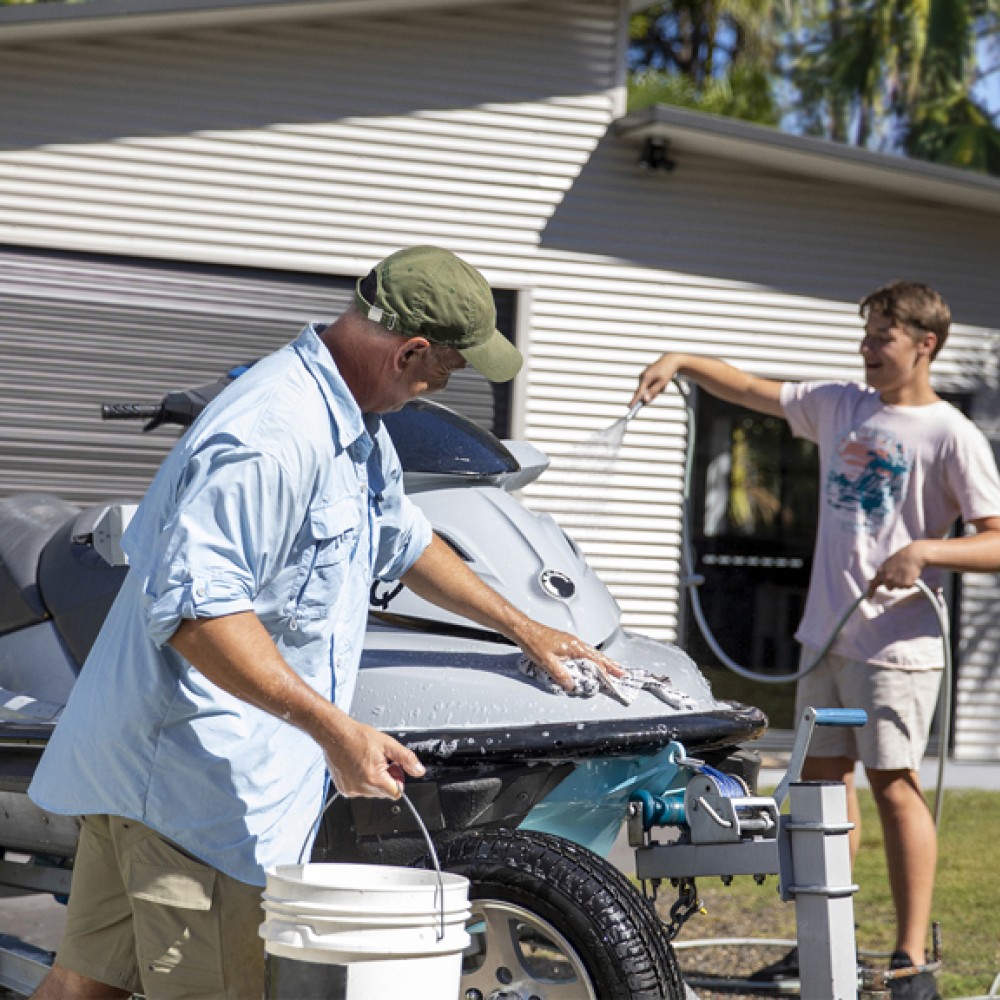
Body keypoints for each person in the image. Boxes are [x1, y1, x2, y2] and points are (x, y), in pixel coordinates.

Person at [28, 245, 622, 1000]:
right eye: (449, 368)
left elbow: (403, 539)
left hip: (157, 774)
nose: (448, 384)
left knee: (85, 988)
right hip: (196, 794)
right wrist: (335, 731)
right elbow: (198, 617)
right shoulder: (271, 435)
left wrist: (524, 625)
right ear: (410, 351)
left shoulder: (351, 418)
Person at [630, 281, 1000, 1000]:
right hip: (825, 639)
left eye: (881, 337)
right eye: (865, 335)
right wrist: (679, 358)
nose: (866, 349)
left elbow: (997, 540)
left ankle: (911, 961)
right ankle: (820, 945)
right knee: (821, 793)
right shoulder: (841, 404)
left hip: (898, 648)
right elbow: (746, 387)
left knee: (895, 788)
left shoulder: (950, 433)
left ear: (925, 344)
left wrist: (927, 551)